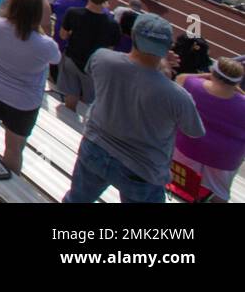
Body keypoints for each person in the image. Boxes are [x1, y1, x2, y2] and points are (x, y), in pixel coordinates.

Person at [64, 15, 205, 203]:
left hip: (95, 148)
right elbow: (194, 131)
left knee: (76, 200)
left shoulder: (102, 58)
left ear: (133, 36)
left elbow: (132, 73)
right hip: (142, 169)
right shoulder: (178, 96)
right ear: (166, 48)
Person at [0, 0, 62, 174]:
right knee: (14, 149)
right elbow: (56, 59)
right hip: (22, 101)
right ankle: (7, 192)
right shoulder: (45, 44)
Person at [172, 58, 245, 202]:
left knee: (180, 186)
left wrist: (202, 76)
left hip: (186, 147)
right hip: (224, 160)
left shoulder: (191, 84)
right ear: (237, 82)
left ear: (212, 72)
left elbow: (181, 77)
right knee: (217, 195)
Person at [56, 0, 120, 112]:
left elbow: (63, 35)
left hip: (72, 57)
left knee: (71, 94)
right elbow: (110, 49)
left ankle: (69, 117)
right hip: (93, 65)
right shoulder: (112, 24)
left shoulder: (73, 13)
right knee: (89, 100)